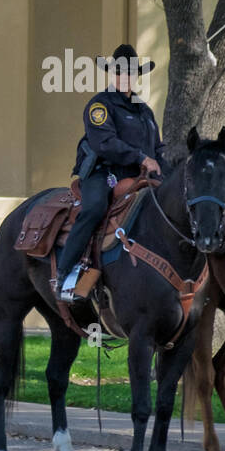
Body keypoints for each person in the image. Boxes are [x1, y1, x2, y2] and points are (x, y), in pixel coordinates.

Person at [53, 44, 165, 302]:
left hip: (139, 177)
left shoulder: (144, 110)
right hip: (104, 173)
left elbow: (157, 148)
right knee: (93, 209)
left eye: (130, 72)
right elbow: (105, 143)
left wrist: (165, 168)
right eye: (120, 71)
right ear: (112, 74)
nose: (125, 76)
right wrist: (141, 158)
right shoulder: (100, 106)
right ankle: (65, 273)